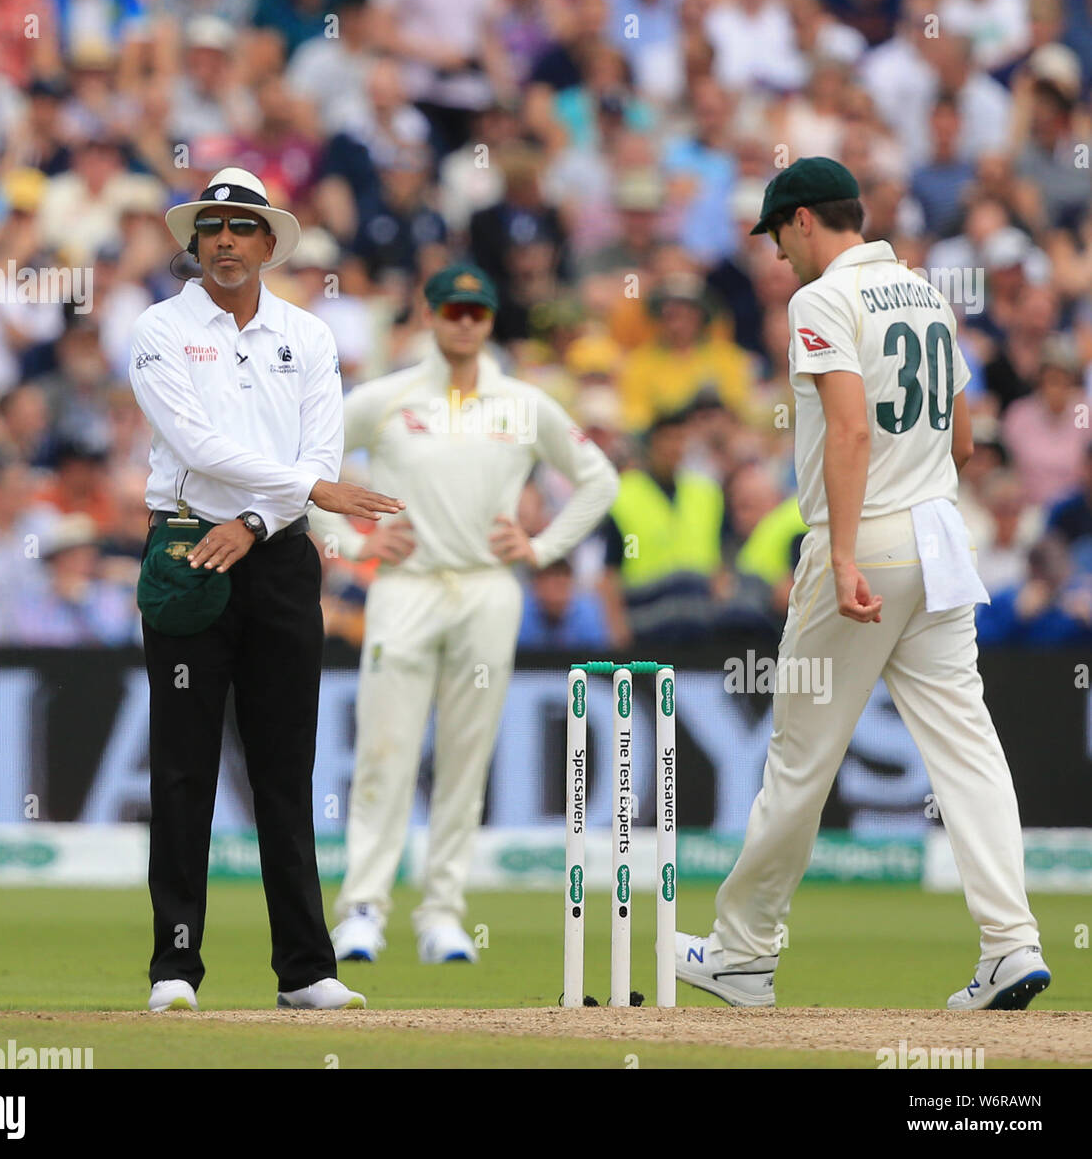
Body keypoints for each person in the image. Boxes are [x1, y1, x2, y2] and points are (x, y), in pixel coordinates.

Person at [676, 157, 1050, 1011]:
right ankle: (1011, 944)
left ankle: (741, 953)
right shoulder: (926, 292)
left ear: (805, 220)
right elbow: (961, 443)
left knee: (800, 758)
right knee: (967, 745)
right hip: (942, 535)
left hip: (867, 539)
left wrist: (841, 556)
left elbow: (848, 431)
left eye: (777, 234)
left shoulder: (821, 300)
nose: (775, 256)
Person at [127, 165, 404, 1013]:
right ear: (194, 241)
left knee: (287, 766)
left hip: (274, 554)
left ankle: (305, 969)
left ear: (270, 243)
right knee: (184, 766)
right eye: (211, 228)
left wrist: (256, 521)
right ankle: (175, 967)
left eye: (242, 228)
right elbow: (198, 443)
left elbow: (324, 452)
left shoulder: (308, 337)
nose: (224, 241)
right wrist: (308, 492)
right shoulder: (159, 329)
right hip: (187, 548)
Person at [310, 263, 618, 964]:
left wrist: (541, 547)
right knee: (386, 753)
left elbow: (599, 480)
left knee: (465, 754)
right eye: (452, 311)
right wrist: (352, 541)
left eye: (476, 314)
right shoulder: (384, 399)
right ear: (432, 315)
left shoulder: (522, 403)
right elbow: (305, 472)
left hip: (487, 588)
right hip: (405, 587)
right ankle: (362, 907)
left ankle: (443, 912)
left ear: (489, 320)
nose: (464, 323)